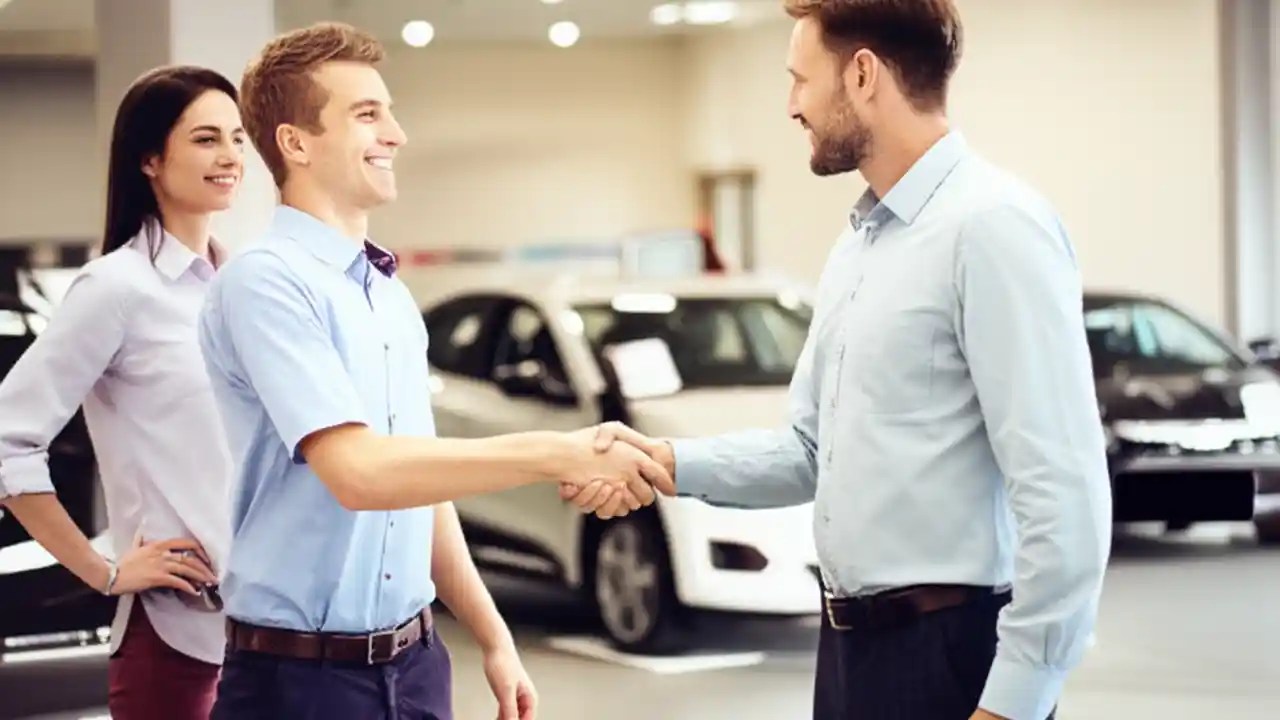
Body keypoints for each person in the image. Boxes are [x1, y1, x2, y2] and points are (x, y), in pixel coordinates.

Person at [577, 2, 1113, 719]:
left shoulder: (993, 228)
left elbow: (1063, 486)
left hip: (954, 660)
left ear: (862, 74)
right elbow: (809, 451)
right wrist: (663, 462)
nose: (791, 105)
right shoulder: (862, 244)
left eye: (800, 79)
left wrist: (1017, 697)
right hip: (853, 658)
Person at [196, 23, 665, 720]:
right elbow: (361, 474)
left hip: (415, 665)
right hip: (300, 681)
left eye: (389, 112)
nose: (396, 134)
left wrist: (492, 634)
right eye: (367, 115)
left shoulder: (388, 295)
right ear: (296, 143)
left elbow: (420, 483)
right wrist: (560, 451)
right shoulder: (265, 285)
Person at [0, 65, 244, 719]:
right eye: (205, 139)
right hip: (180, 643)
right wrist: (100, 567)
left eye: (238, 137)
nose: (230, 156)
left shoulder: (239, 288)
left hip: (271, 632)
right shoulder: (117, 288)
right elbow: (7, 440)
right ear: (149, 160)